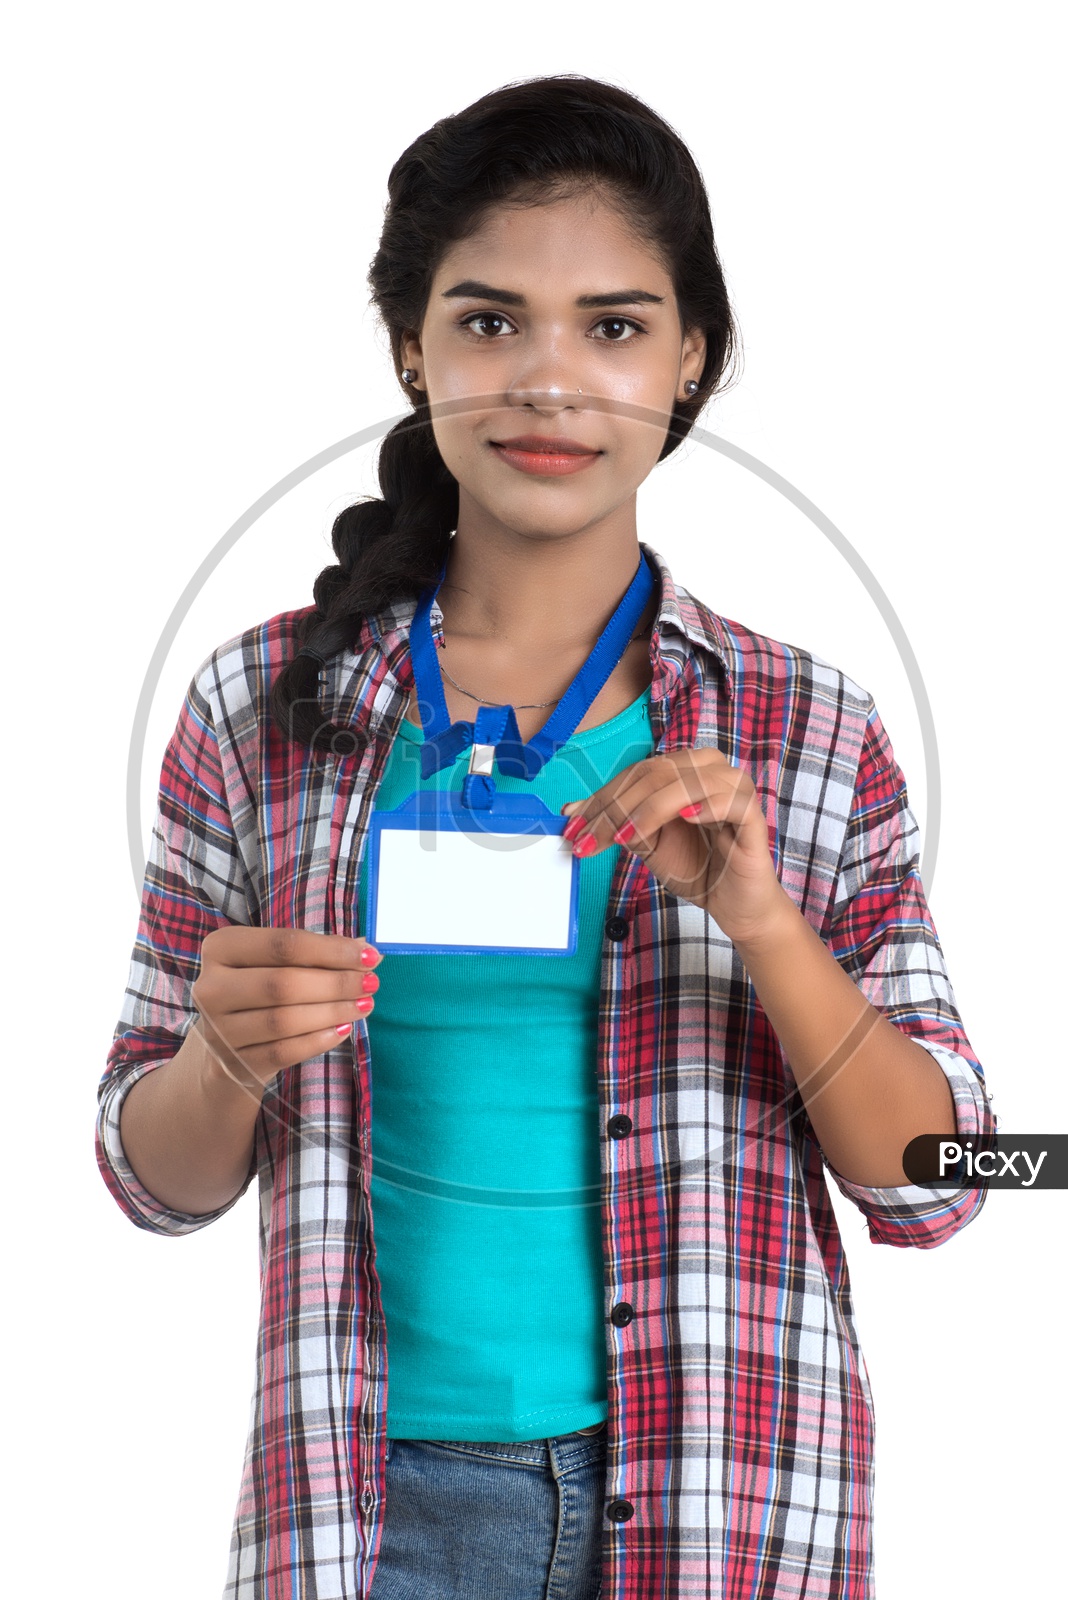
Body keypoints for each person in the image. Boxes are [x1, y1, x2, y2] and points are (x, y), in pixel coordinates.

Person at [96, 74, 995, 1600]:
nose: (551, 383)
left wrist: (766, 924)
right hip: (365, 1514)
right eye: (490, 320)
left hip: (724, 1498)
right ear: (411, 347)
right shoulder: (260, 704)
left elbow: (949, 1177)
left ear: (694, 357)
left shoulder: (807, 726)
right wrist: (224, 1058)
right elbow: (145, 1175)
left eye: (618, 326)